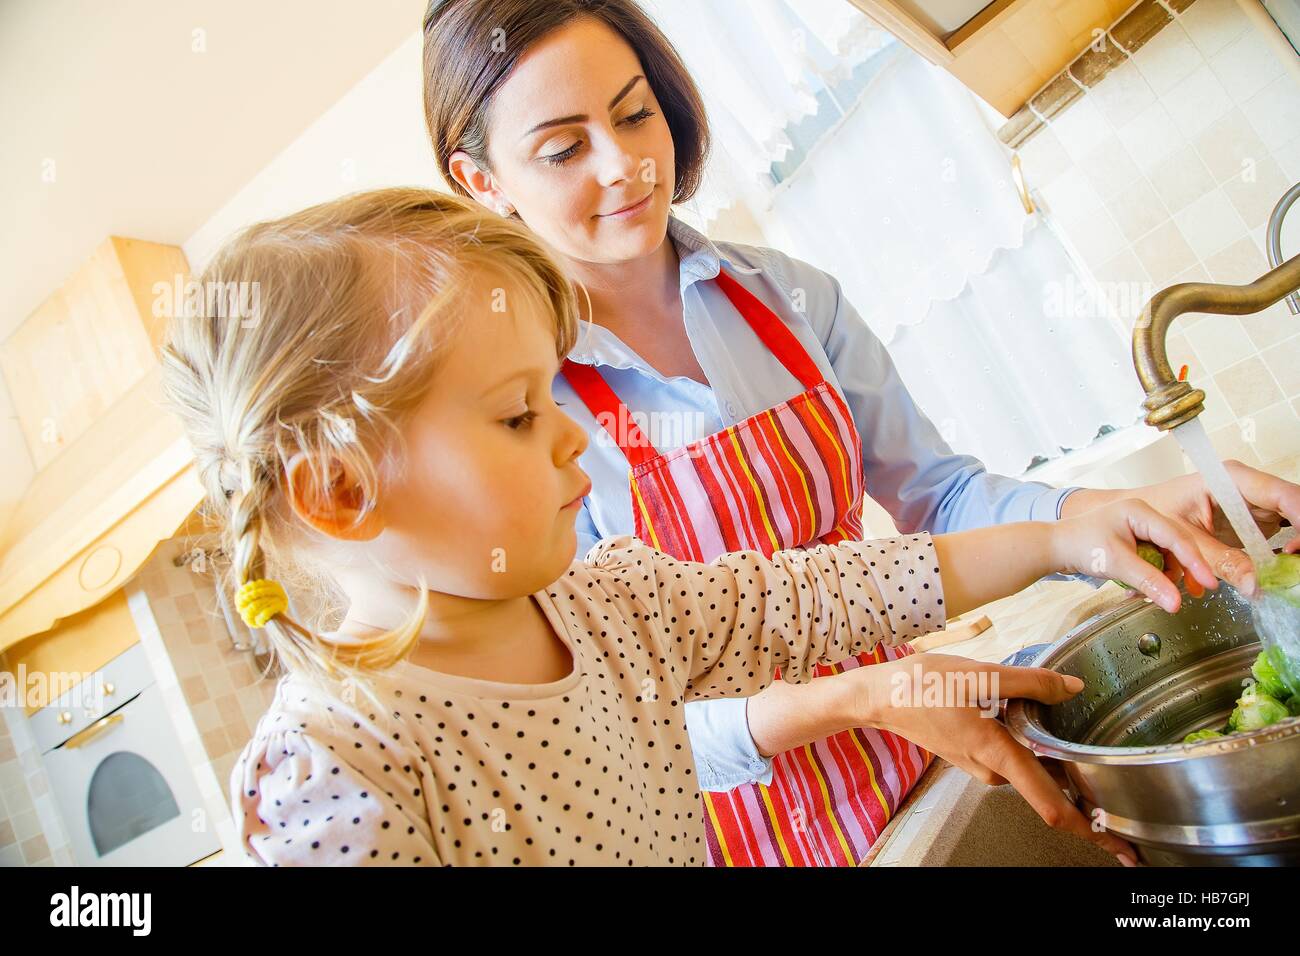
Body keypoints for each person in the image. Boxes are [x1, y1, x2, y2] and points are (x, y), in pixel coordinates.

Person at [421, 0, 1300, 865]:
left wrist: (1124, 512)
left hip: (923, 764)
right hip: (733, 834)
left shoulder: (786, 298)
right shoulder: (516, 404)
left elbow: (940, 495)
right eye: (565, 148)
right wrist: (860, 696)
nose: (625, 165)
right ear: (481, 181)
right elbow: (595, 728)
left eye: (635, 113)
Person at [161, 186, 1233, 865]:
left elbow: (842, 589)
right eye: (520, 414)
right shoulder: (338, 766)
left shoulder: (613, 601)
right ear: (341, 492)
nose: (572, 438)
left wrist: (1065, 533)